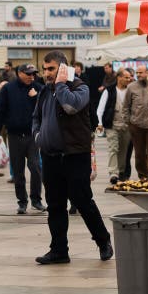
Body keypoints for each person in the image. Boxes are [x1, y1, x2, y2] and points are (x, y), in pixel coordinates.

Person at [32, 50, 113, 264]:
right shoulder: (44, 92)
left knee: (82, 200)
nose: (46, 73)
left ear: (63, 69)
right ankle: (59, 250)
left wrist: (60, 84)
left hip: (75, 155)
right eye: (45, 69)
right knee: (55, 204)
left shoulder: (80, 87)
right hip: (51, 156)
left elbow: (70, 106)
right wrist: (38, 136)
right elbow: (36, 117)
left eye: (51, 69)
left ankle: (103, 240)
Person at [0, 64, 45, 214]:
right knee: (18, 172)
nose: (32, 77)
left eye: (33, 74)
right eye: (28, 74)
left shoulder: (38, 88)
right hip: (14, 136)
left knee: (36, 167)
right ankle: (22, 202)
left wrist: (36, 98)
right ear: (19, 73)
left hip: (32, 136)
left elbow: (46, 108)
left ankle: (36, 200)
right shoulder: (8, 89)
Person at [122, 64, 148, 179]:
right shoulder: (131, 87)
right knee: (139, 153)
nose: (138, 75)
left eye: (141, 72)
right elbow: (126, 106)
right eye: (137, 73)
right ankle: (143, 176)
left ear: (147, 72)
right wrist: (129, 122)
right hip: (136, 125)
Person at [97, 67, 132, 184]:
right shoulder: (109, 90)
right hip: (112, 124)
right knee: (113, 148)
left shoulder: (130, 90)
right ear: (119, 78)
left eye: (130, 77)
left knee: (123, 150)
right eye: (126, 77)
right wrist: (100, 123)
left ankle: (121, 171)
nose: (129, 79)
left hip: (126, 125)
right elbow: (100, 108)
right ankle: (113, 173)